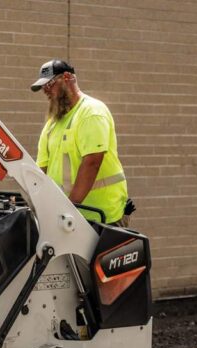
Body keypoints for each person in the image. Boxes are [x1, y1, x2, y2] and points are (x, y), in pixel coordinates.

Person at [31, 60, 130, 227]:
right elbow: (41, 171)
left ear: (67, 77)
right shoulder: (52, 124)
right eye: (43, 87)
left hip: (102, 217)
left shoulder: (91, 112)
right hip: (67, 219)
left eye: (50, 84)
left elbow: (92, 163)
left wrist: (68, 210)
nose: (46, 90)